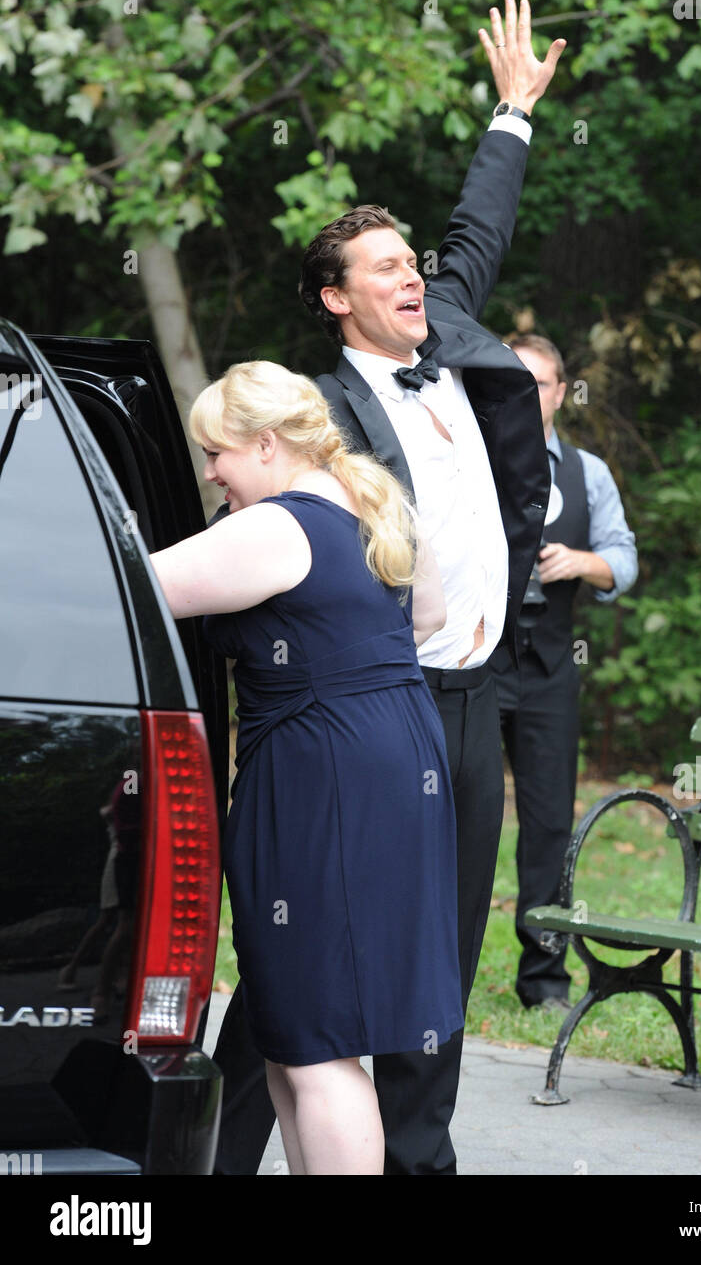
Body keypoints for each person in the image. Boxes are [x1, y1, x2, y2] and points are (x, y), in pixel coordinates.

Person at [211, 0, 564, 1176]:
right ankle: (203, 1151)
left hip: (476, 697)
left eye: (415, 262)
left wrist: (512, 114)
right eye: (384, 267)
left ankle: (418, 1160)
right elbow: (264, 528)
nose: (413, 277)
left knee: (433, 959)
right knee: (303, 950)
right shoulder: (323, 413)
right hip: (367, 703)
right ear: (334, 297)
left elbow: (480, 228)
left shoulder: (452, 330)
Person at [149, 360, 464, 1175]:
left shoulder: (272, 527)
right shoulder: (370, 501)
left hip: (321, 772)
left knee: (318, 1039)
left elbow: (124, 591)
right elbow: (426, 618)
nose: (210, 470)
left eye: (216, 452)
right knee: (298, 1032)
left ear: (264, 443)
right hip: (387, 751)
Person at [490, 333, 638, 1010]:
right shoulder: (466, 461)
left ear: (559, 392)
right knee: (460, 819)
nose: (527, 395)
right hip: (473, 664)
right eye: (511, 381)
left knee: (549, 824)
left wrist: (581, 562)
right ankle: (441, 975)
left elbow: (624, 561)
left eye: (539, 384)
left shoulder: (589, 473)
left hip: (550, 671)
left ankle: (543, 980)